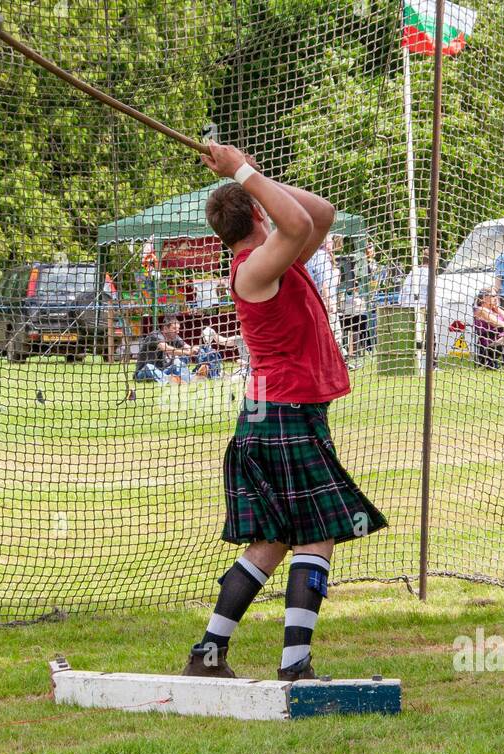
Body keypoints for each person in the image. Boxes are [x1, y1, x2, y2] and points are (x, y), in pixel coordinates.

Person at [181, 142, 388, 682]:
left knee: (272, 540)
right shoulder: (255, 268)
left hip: (279, 411)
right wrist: (242, 172)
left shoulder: (275, 257)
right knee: (316, 532)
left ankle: (207, 654)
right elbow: (295, 221)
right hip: (282, 411)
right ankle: (295, 666)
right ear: (256, 215)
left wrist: (249, 170)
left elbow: (318, 214)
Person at [134, 317, 203, 384]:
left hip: (163, 370)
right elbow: (166, 348)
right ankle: (169, 380)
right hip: (143, 372)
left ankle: (191, 378)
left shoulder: (175, 337)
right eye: (174, 328)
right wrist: (187, 352)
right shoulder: (155, 336)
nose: (177, 332)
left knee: (177, 363)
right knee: (149, 367)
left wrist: (195, 349)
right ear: (165, 328)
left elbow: (187, 347)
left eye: (178, 329)